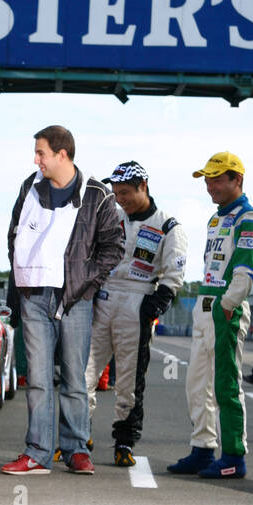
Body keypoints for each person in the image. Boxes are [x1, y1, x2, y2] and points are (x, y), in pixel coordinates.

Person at [1, 127, 123, 475]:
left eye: (41, 153)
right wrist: (22, 272)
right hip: (34, 296)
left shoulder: (97, 194)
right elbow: (15, 233)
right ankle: (37, 453)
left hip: (74, 300)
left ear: (62, 155)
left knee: (74, 379)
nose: (35, 159)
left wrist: (85, 282)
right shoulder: (29, 187)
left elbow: (113, 247)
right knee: (38, 379)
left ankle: (75, 449)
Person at [168, 152, 253, 479]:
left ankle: (234, 456)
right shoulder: (217, 218)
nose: (210, 186)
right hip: (205, 307)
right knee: (197, 384)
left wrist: (228, 305)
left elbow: (246, 269)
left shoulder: (248, 217)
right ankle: (202, 449)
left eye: (217, 179)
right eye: (207, 179)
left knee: (225, 385)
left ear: (236, 179)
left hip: (227, 309)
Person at [85, 161, 187, 466]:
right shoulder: (110, 216)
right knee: (82, 373)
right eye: (115, 193)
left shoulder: (168, 225)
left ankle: (125, 442)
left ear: (144, 186)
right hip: (102, 299)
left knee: (129, 380)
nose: (120, 199)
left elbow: (173, 276)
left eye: (126, 192)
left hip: (138, 301)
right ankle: (78, 435)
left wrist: (152, 308)